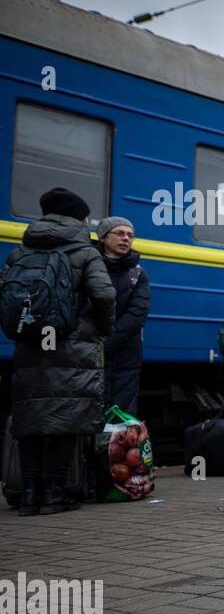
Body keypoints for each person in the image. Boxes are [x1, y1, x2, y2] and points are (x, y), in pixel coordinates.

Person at [5, 188, 115, 515]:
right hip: (73, 345)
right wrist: (102, 329)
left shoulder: (21, 252)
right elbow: (104, 296)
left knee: (31, 419)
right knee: (66, 417)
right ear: (79, 218)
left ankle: (28, 496)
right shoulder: (85, 253)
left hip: (30, 346)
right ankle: (54, 495)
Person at [96, 216, 150, 415]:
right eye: (119, 233)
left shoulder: (137, 273)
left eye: (130, 235)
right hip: (91, 353)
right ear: (102, 237)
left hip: (125, 357)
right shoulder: (89, 267)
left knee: (121, 415)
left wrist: (105, 344)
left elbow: (137, 313)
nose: (126, 238)